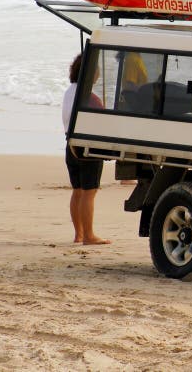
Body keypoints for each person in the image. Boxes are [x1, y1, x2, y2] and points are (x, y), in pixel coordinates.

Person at [63, 53, 110, 245]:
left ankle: (79, 234)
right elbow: (104, 120)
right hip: (86, 149)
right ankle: (89, 236)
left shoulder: (69, 91)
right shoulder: (88, 96)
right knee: (89, 192)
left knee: (78, 191)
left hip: (70, 146)